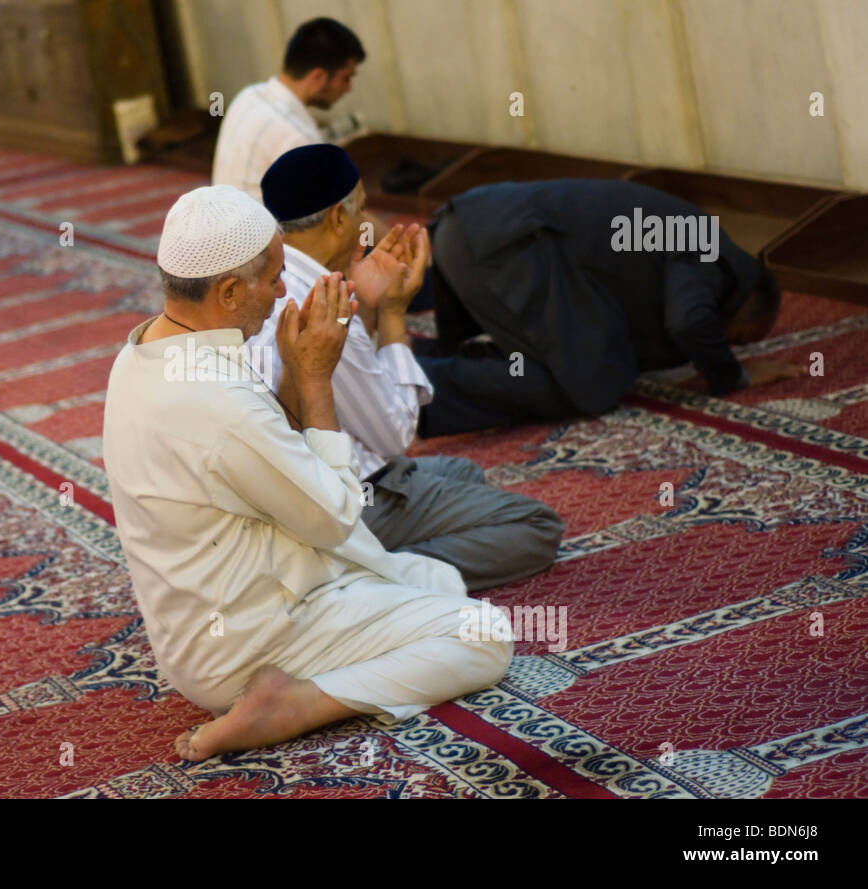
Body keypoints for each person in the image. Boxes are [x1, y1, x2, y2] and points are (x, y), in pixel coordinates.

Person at [102, 184, 513, 761]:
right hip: (251, 643)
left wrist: (297, 373)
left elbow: (267, 460)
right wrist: (317, 379)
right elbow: (338, 516)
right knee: (485, 636)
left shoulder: (143, 352)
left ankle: (327, 666)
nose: (279, 292)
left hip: (212, 623)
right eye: (272, 278)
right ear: (225, 291)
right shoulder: (216, 403)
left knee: (439, 580)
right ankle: (301, 702)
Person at [249, 145, 563, 590]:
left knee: (464, 473)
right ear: (339, 218)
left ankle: (362, 560)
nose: (367, 220)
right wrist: (394, 312)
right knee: (535, 527)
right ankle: (365, 573)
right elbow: (395, 435)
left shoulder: (273, 281)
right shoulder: (324, 303)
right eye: (361, 207)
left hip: (290, 493)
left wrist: (369, 307)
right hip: (342, 503)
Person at [413, 179, 803, 436]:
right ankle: (410, 386)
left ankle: (403, 360)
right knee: (583, 385)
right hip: (505, 245)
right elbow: (689, 320)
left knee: (567, 359)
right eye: (737, 339)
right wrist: (732, 375)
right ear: (745, 302)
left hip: (472, 229)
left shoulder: (696, 231)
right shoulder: (705, 248)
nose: (727, 344)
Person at [211, 17, 365, 203]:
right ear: (318, 77)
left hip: (221, 221)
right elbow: (330, 216)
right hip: (259, 230)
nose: (349, 88)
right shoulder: (298, 137)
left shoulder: (248, 95)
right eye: (346, 78)